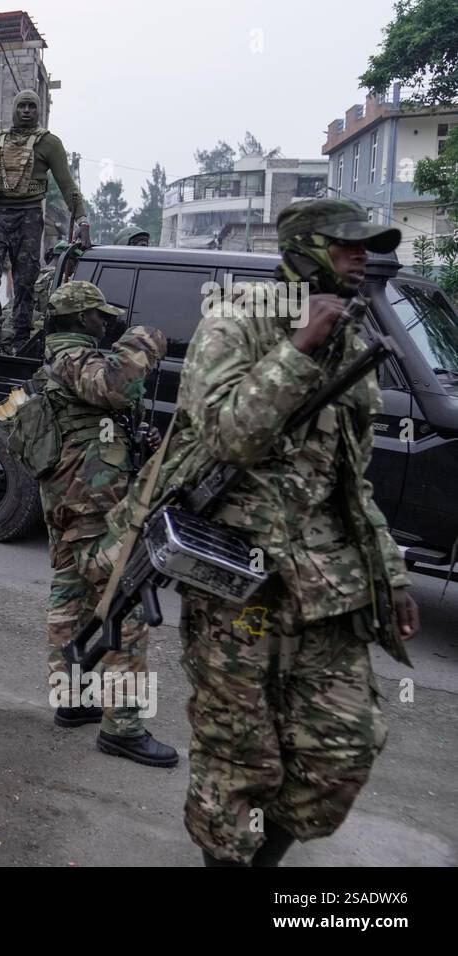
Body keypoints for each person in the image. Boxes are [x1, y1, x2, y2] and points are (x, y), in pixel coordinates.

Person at [107, 198, 420, 865]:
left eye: (368, 246)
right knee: (239, 760)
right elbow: (227, 437)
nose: (363, 257)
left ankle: (263, 857)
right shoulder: (240, 320)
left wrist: (389, 573)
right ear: (307, 248)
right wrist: (299, 350)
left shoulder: (354, 339)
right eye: (348, 246)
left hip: (331, 592)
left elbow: (352, 481)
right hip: (241, 590)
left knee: (342, 750)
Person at [35, 281, 177, 767]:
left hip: (74, 500)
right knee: (125, 606)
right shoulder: (71, 357)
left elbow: (99, 416)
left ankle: (72, 701)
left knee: (71, 599)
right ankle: (124, 727)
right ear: (80, 319)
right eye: (99, 316)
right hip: (92, 504)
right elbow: (117, 386)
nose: (106, 322)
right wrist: (146, 339)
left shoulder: (64, 361)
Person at [0, 88, 86, 356]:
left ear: (38, 110)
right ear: (15, 109)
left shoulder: (49, 143)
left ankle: (20, 339)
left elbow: (67, 184)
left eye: (32, 106)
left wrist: (82, 218)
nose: (27, 111)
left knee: (25, 282)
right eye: (22, 106)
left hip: (29, 217)